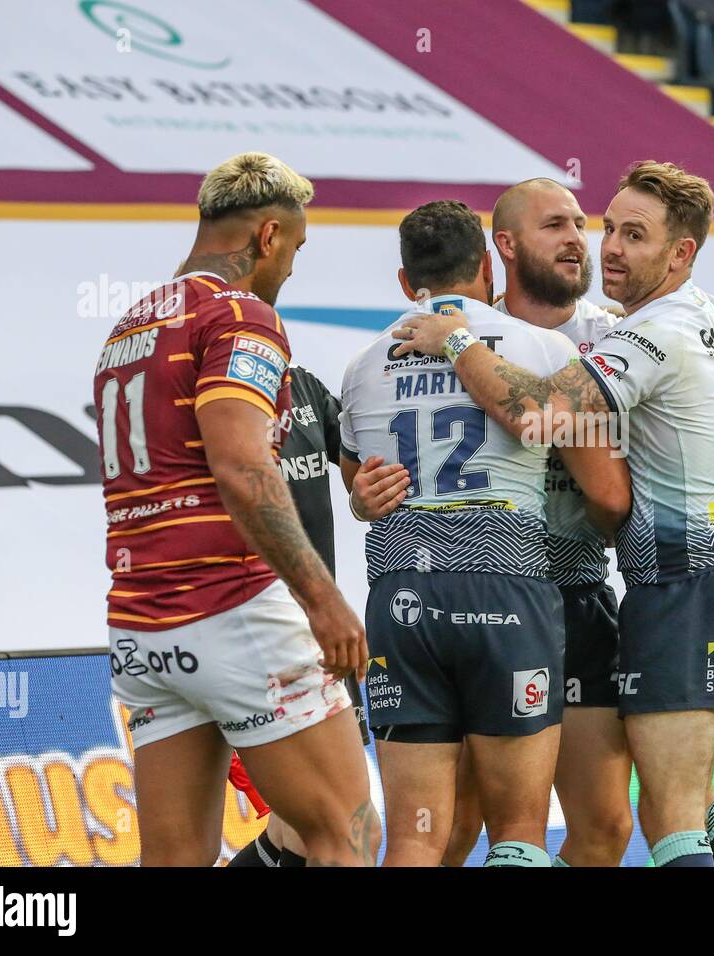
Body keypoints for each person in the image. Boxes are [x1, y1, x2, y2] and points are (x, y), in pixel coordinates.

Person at [393, 162, 714, 868]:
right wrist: (364, 492)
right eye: (565, 226)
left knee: (613, 824)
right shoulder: (471, 329)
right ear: (503, 245)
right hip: (489, 592)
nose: (589, 245)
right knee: (463, 820)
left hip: (590, 594)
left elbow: (598, 447)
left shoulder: (617, 331)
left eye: (599, 230)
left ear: (677, 250)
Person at [97, 152, 378, 866]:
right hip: (232, 608)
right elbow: (244, 467)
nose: (290, 271)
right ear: (268, 236)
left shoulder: (128, 329)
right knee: (348, 836)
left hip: (143, 626)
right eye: (297, 251)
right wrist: (324, 601)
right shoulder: (238, 315)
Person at [340, 199, 631, 866]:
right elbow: (608, 493)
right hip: (506, 592)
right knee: (519, 832)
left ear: (405, 281)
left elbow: (363, 490)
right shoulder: (544, 347)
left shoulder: (362, 367)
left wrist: (363, 505)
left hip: (401, 600)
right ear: (485, 265)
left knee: (417, 833)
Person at [226, 363, 372, 868]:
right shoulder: (203, 395)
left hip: (318, 637)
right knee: (345, 830)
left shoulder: (304, 384)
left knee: (306, 830)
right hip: (245, 638)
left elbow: (359, 466)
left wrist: (364, 497)